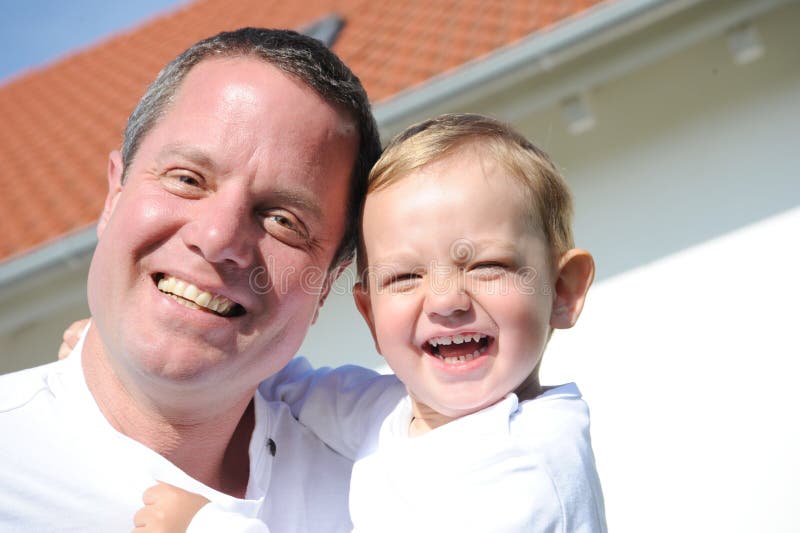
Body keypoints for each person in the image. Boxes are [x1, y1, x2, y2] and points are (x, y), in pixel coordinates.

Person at [129, 114, 607, 532]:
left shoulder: (526, 469)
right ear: (371, 317)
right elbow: (294, 386)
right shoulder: (397, 412)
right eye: (404, 276)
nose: (445, 299)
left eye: (486, 266)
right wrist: (127, 345)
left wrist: (203, 525)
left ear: (562, 291)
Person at [0, 27, 381, 532]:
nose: (219, 237)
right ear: (114, 196)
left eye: (284, 220)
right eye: (187, 179)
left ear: (326, 286)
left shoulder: (398, 494)